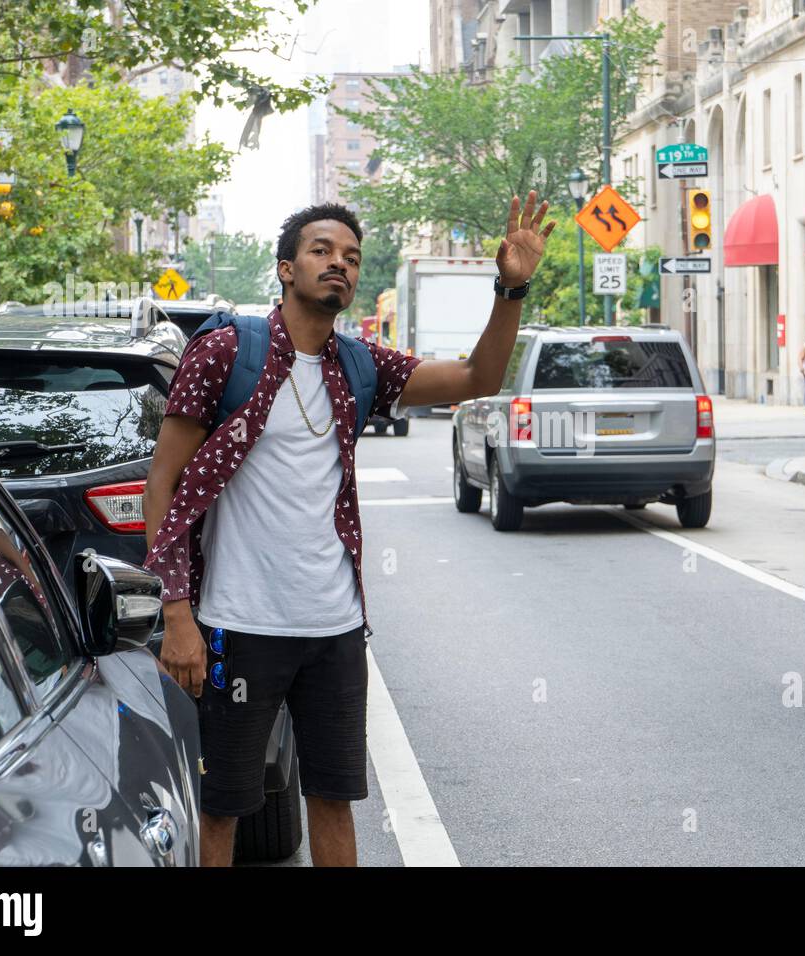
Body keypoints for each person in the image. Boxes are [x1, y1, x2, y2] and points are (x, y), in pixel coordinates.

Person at [143, 192, 555, 867]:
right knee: (224, 807)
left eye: (352, 258)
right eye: (322, 251)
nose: (340, 263)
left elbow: (477, 376)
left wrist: (512, 288)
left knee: (333, 798)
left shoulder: (360, 365)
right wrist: (177, 612)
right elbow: (164, 485)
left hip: (334, 627)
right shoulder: (224, 353)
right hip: (236, 626)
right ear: (285, 268)